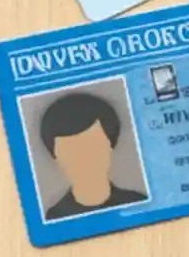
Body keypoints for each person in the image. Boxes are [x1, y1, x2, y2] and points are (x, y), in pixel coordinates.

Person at [40, 92, 146, 220]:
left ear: (110, 145)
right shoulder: (56, 218)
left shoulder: (138, 204)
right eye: (71, 151)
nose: (83, 159)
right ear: (56, 157)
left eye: (92, 145)